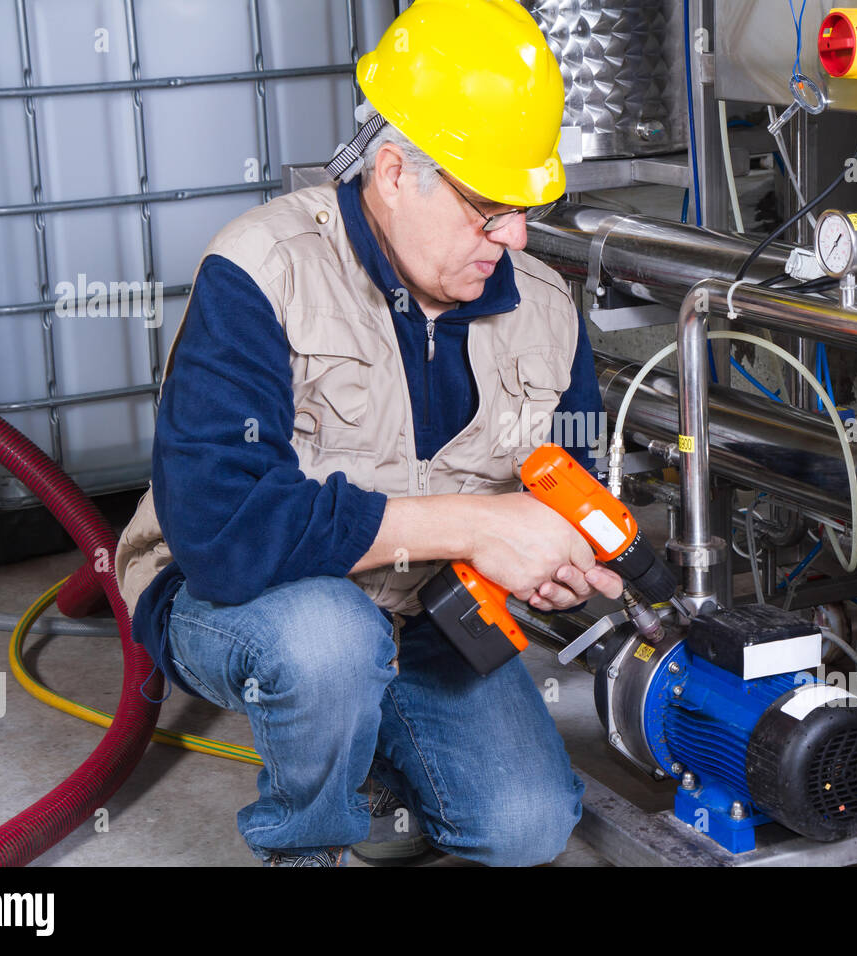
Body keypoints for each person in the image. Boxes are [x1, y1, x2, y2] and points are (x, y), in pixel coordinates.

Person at [113, 0, 623, 867]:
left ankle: (368, 740)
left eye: (526, 207)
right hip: (238, 599)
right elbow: (224, 531)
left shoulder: (545, 308)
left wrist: (563, 561)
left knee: (528, 827)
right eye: (488, 207)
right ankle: (307, 847)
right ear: (394, 172)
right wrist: (475, 523)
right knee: (327, 644)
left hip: (432, 612)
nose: (516, 236)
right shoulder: (261, 272)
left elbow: (567, 474)